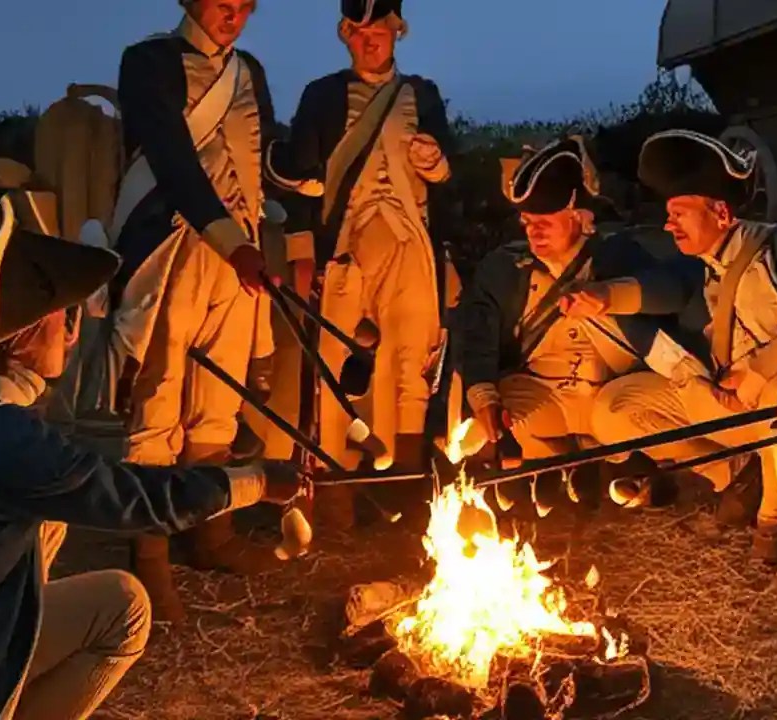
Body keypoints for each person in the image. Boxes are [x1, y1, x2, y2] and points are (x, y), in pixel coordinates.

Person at [0, 195, 302, 720]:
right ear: (23, 340)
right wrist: (256, 480)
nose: (73, 330)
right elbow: (140, 501)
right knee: (123, 609)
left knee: (48, 526)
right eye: (64, 315)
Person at [571, 128, 777, 596]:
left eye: (679, 213)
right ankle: (745, 478)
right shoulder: (705, 263)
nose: (669, 226)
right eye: (668, 215)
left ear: (721, 213)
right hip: (736, 400)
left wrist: (755, 372)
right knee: (617, 405)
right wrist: (603, 297)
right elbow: (665, 288)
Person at [108, 0, 290, 623]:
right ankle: (150, 558)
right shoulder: (148, 60)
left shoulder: (249, 71)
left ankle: (210, 535)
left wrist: (304, 174)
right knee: (157, 401)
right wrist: (231, 242)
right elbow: (171, 157)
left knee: (219, 400)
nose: (233, 15)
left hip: (238, 251)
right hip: (172, 246)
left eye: (244, 6)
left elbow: (267, 158)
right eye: (221, 2)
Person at [279, 0, 458, 525]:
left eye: (379, 29)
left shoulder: (422, 94)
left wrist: (435, 163)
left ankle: (404, 485)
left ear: (397, 31)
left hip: (410, 243)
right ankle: (334, 490)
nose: (369, 40)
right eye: (358, 31)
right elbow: (296, 179)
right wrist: (302, 253)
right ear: (345, 34)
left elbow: (449, 174)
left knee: (411, 362)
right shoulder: (321, 95)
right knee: (333, 365)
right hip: (346, 245)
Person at [457, 136, 694, 516]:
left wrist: (610, 296)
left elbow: (673, 289)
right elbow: (477, 334)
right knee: (494, 422)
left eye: (545, 223)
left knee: (617, 415)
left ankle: (638, 464)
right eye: (527, 223)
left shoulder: (617, 254)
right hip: (541, 391)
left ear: (579, 218)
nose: (534, 233)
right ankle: (558, 463)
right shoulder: (504, 268)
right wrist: (484, 398)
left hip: (610, 391)